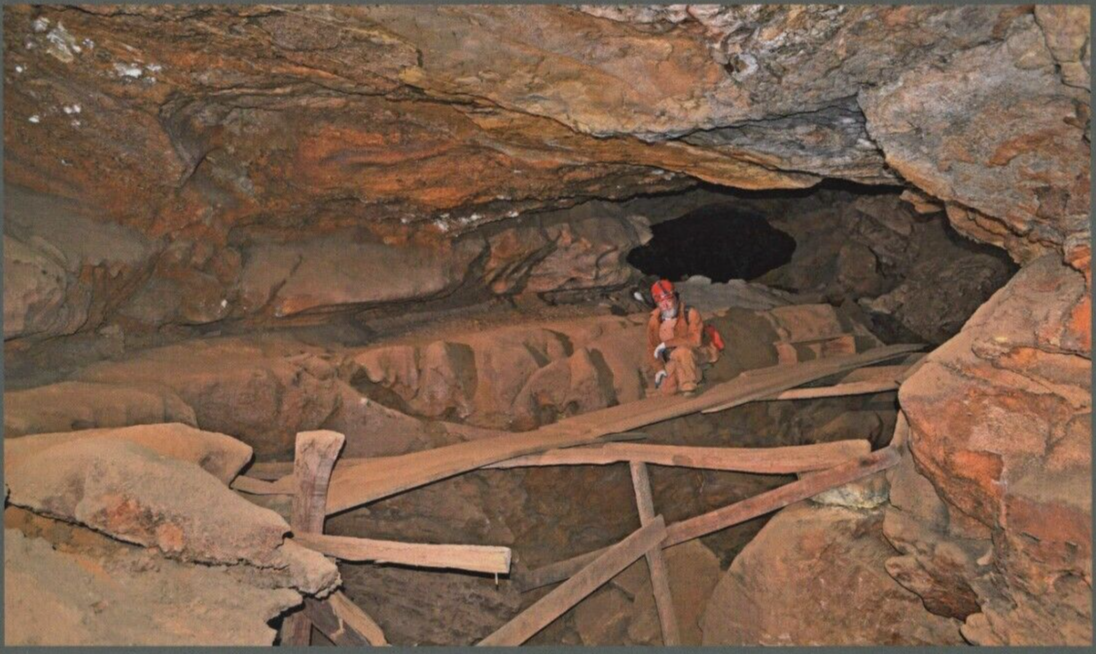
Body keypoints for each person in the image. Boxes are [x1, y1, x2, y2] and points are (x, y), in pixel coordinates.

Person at [646, 279, 719, 396]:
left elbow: (695, 340)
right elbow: (652, 348)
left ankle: (688, 387)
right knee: (667, 389)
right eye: (661, 302)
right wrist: (659, 368)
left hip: (699, 352)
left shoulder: (690, 313)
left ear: (675, 297)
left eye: (668, 300)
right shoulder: (654, 320)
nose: (665, 305)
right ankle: (697, 375)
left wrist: (666, 344)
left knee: (682, 351)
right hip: (675, 359)